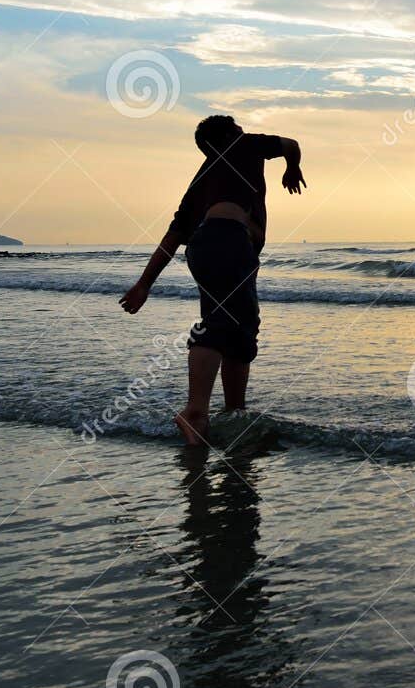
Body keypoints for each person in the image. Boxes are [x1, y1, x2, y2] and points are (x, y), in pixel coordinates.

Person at [120, 115, 305, 446]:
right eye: (237, 126)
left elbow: (173, 236)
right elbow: (291, 145)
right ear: (231, 133)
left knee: (238, 326)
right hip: (228, 243)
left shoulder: (199, 181)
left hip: (206, 248)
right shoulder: (244, 143)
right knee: (222, 323)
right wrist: (293, 169)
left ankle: (234, 413)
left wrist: (144, 284)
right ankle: (195, 412)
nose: (242, 130)